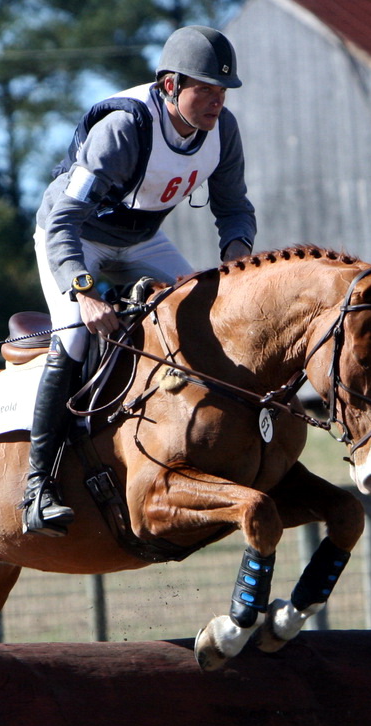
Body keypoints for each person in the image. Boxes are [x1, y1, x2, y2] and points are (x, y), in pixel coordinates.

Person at [21, 24, 258, 536]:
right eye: (206, 90)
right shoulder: (125, 128)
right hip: (75, 235)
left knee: (207, 310)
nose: (217, 102)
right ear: (170, 85)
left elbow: (235, 209)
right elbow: (63, 220)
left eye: (222, 91)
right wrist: (83, 291)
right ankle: (37, 487)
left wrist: (236, 263)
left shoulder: (224, 131)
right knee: (76, 336)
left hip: (141, 239)